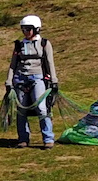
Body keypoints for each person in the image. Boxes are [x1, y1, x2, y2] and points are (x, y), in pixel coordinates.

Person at [9, 14, 60, 148]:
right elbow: (13, 65)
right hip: (19, 79)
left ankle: (48, 139)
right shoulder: (19, 45)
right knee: (21, 110)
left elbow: (50, 63)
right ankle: (23, 139)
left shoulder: (44, 44)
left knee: (42, 108)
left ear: (36, 29)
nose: (25, 32)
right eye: (23, 29)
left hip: (38, 78)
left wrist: (54, 81)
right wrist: (9, 81)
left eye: (28, 29)